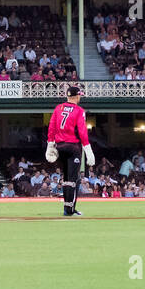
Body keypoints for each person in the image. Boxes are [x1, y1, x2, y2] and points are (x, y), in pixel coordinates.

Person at [45, 84, 95, 217]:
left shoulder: (58, 108)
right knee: (74, 180)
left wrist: (50, 144)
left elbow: (51, 127)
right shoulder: (79, 110)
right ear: (76, 96)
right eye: (79, 95)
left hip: (60, 147)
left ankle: (67, 208)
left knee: (66, 178)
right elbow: (83, 132)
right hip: (73, 147)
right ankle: (70, 209)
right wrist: (88, 150)